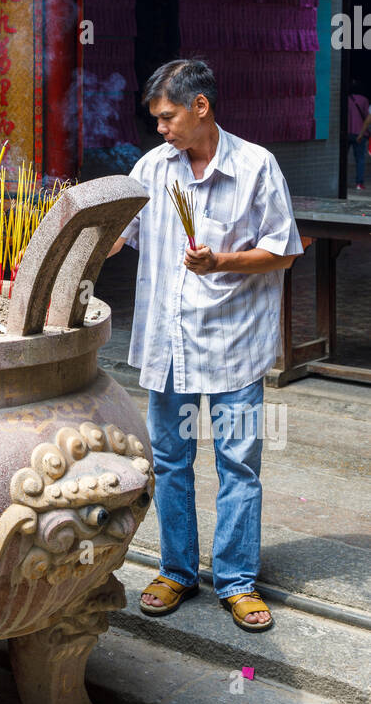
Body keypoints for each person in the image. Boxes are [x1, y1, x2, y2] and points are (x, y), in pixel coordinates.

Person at [108, 59, 302, 632]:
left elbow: (284, 250)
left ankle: (237, 580)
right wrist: (84, 232)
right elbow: (123, 233)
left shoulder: (255, 167)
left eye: (167, 117)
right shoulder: (153, 168)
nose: (161, 129)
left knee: (239, 463)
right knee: (169, 462)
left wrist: (221, 261)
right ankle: (176, 569)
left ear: (200, 106)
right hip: (169, 345)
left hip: (234, 343)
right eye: (156, 120)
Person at [347, 80, 371, 191]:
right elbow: (367, 119)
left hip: (347, 133)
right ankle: (359, 183)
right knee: (360, 159)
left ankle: (343, 181)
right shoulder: (364, 100)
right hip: (360, 134)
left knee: (343, 159)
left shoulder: (347, 99)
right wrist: (362, 133)